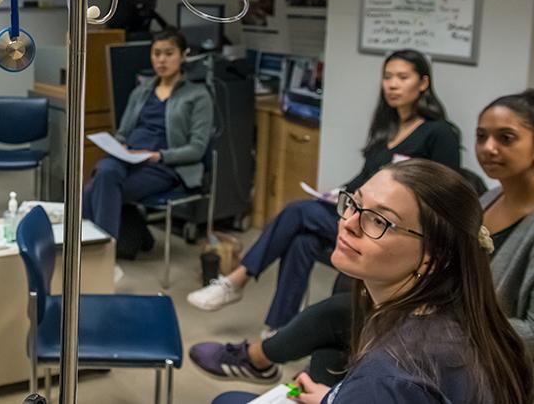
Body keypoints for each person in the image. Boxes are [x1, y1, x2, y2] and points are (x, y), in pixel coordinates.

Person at [191, 90, 534, 387]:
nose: (488, 148)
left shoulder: (439, 137)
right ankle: (286, 350)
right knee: (310, 249)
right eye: (481, 136)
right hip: (429, 292)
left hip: (466, 331)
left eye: (506, 138)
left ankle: (259, 346)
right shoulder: (489, 199)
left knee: (334, 284)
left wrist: (444, 314)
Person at [210, 160, 533, 404]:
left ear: (432, 257)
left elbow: (385, 387)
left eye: (379, 220)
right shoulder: (458, 318)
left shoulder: (390, 373)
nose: (348, 222)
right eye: (354, 203)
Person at [188, 50, 460, 331]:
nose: (392, 84)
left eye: (402, 77)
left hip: (393, 230)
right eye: (387, 77)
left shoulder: (439, 133)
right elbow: (365, 179)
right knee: (301, 241)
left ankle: (236, 280)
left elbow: (447, 196)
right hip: (363, 219)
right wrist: (337, 193)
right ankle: (277, 330)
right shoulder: (387, 128)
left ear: (423, 83)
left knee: (297, 211)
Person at [82, 27, 213, 242]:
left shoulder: (198, 96)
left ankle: (101, 254)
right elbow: (123, 133)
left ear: (183, 56)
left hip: (164, 165)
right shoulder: (141, 91)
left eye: (169, 54)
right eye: (156, 53)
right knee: (105, 172)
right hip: (129, 158)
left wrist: (159, 156)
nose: (161, 60)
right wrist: (119, 147)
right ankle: (106, 251)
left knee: (92, 190)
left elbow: (197, 149)